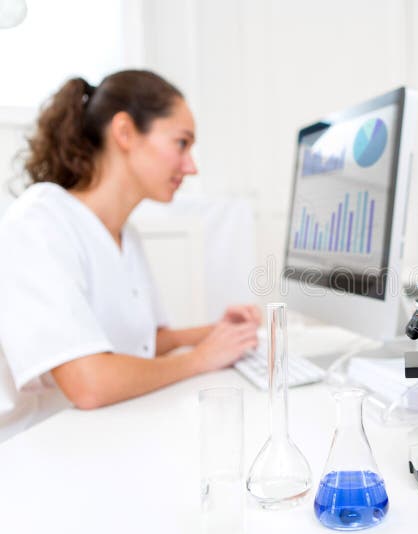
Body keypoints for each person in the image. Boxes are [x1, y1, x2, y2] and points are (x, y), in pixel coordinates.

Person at [0, 70, 260, 442]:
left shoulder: (125, 234)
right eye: (181, 143)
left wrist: (217, 332)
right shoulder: (39, 221)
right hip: (30, 447)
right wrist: (201, 358)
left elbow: (141, 341)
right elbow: (89, 382)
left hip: (96, 432)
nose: (191, 166)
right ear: (124, 132)